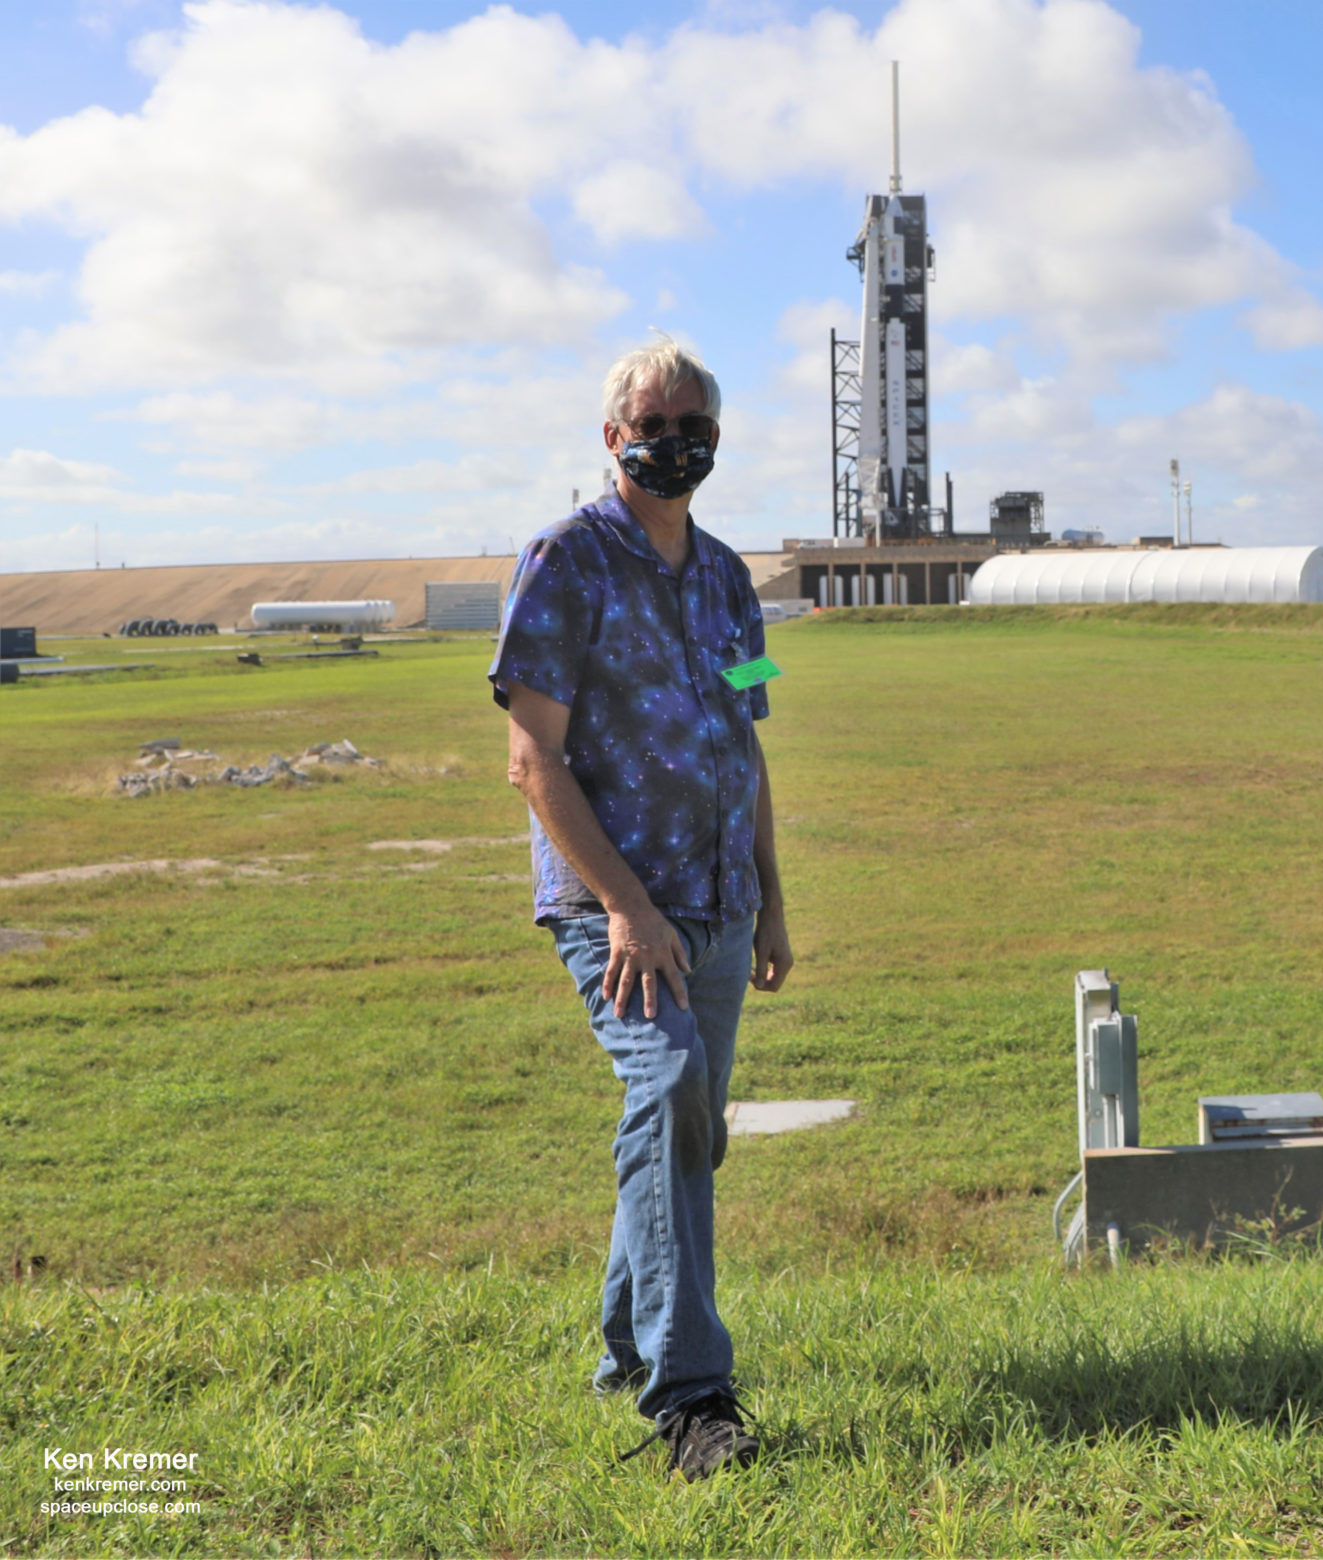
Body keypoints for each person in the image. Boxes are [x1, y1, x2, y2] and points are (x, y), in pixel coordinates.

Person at [489, 334, 793, 1479]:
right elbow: (533, 762)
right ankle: (689, 1396)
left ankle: (623, 1346)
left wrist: (769, 902)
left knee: (687, 1130)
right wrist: (624, 908)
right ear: (611, 438)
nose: (672, 445)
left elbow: (746, 744)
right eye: (651, 428)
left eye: (691, 428)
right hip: (616, 908)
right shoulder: (563, 562)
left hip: (717, 904)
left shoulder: (726, 579)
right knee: (667, 1087)